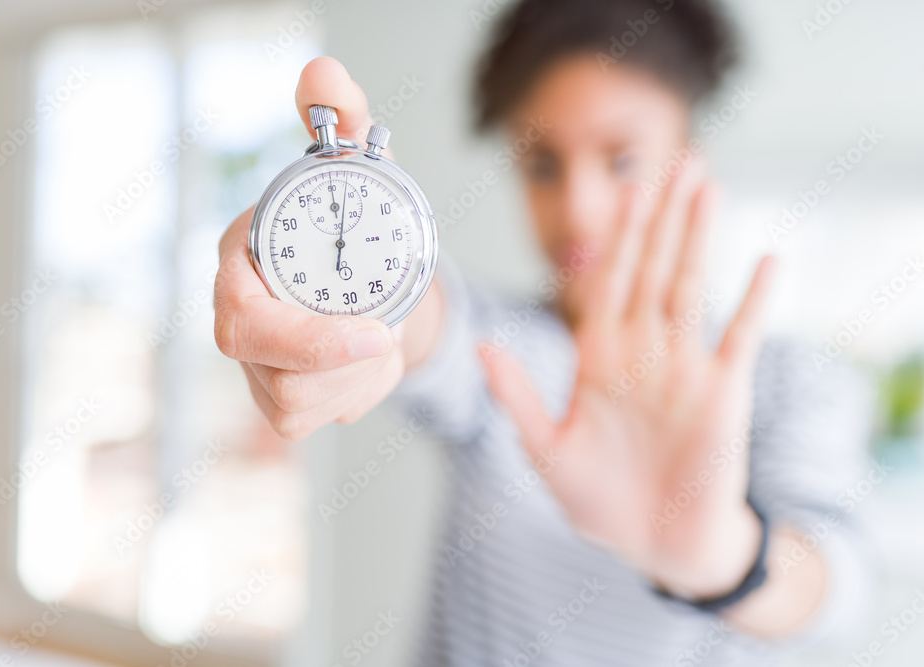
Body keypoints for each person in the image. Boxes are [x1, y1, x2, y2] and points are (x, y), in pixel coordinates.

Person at [213, 0, 877, 663]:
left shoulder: (794, 381)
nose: (579, 210)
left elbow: (834, 591)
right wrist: (332, 283)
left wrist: (722, 554)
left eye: (621, 160)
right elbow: (427, 321)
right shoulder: (500, 350)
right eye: (543, 166)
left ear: (687, 164)